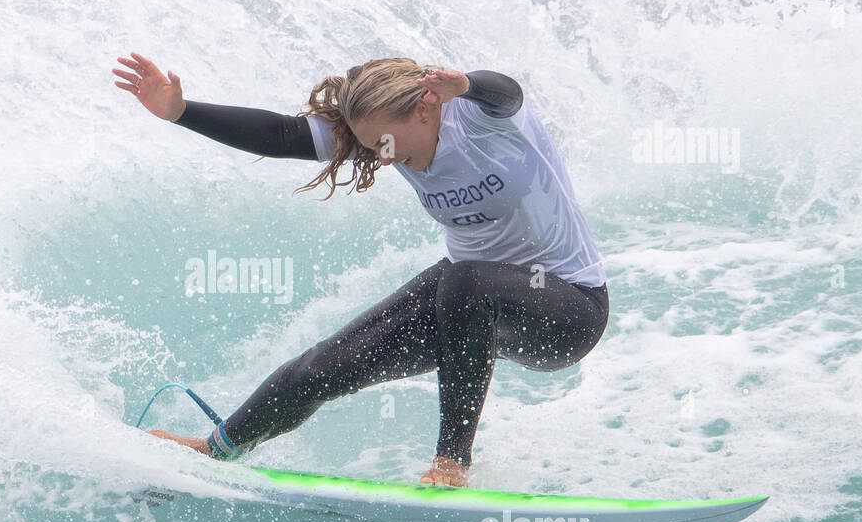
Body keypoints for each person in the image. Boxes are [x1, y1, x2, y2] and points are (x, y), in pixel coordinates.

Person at [112, 51, 608, 487]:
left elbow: (508, 93)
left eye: (384, 142)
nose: (381, 158)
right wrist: (180, 111)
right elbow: (281, 134)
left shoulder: (479, 118)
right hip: (466, 307)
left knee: (467, 278)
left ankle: (453, 460)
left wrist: (468, 85)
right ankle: (217, 449)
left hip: (567, 308)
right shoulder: (381, 135)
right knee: (321, 368)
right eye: (370, 148)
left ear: (426, 106)